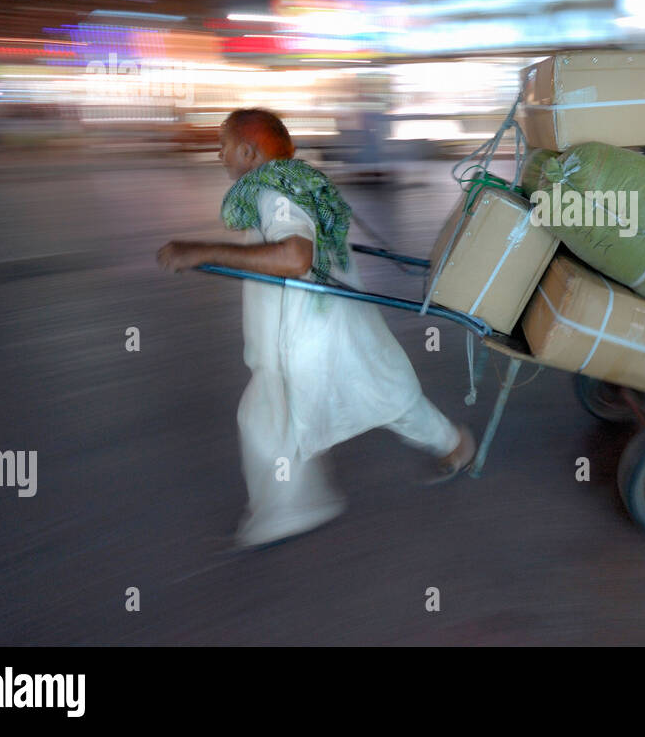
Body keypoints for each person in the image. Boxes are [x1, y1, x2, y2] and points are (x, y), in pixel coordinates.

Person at [157, 108, 475, 549]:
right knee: (383, 394)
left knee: (275, 415)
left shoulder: (274, 192)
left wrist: (201, 250)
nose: (219, 156)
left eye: (223, 146)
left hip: (309, 335)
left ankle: (287, 512)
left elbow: (295, 257)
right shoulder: (301, 182)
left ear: (248, 151)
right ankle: (451, 444)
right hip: (336, 323)